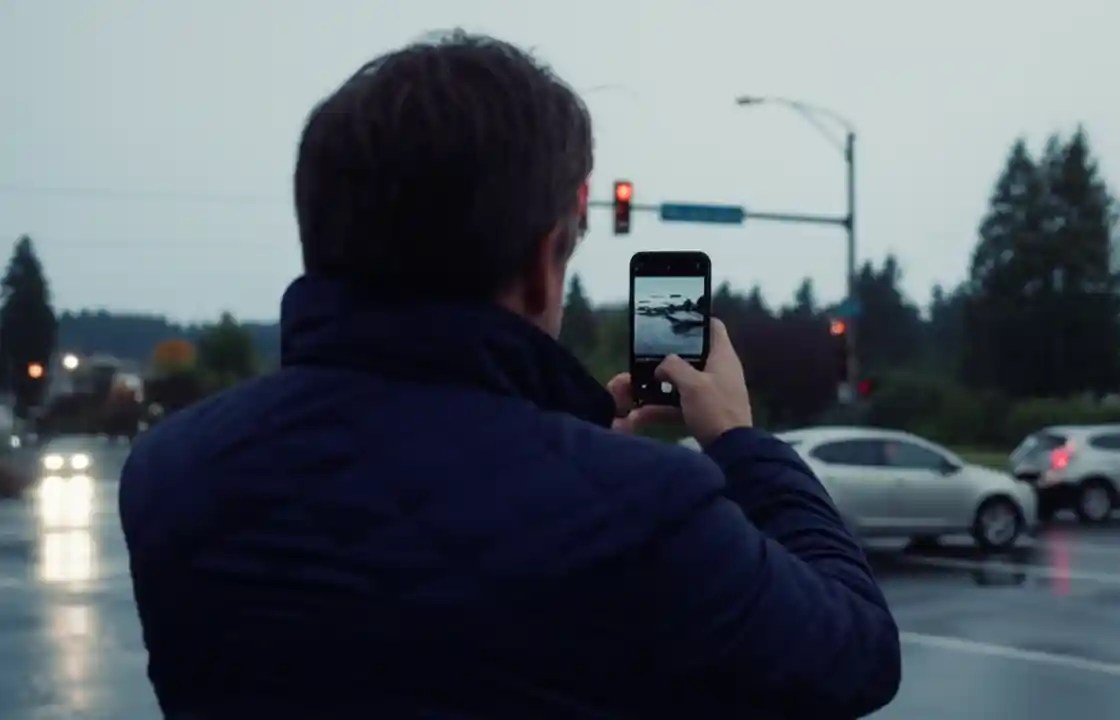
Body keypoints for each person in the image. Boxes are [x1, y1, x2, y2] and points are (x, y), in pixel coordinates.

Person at [119, 31, 900, 719]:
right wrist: (739, 439)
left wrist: (572, 439)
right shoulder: (648, 511)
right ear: (540, 264)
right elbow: (855, 655)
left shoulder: (171, 472)